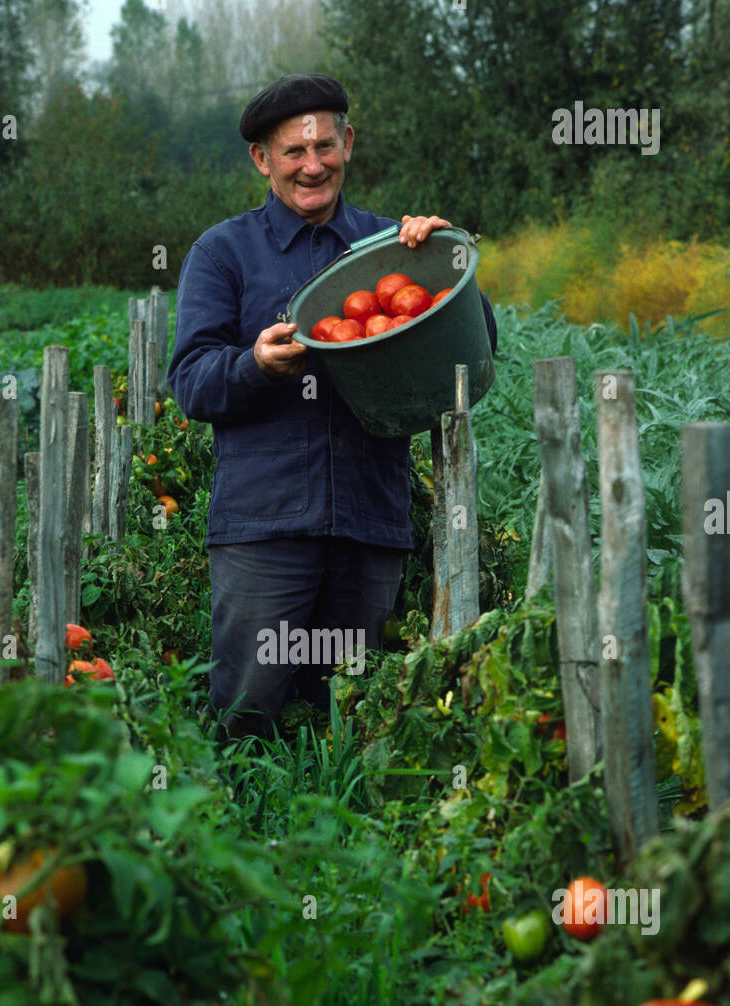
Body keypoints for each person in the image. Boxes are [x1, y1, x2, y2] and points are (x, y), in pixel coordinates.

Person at [168, 73, 497, 743]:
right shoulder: (222, 253)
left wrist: (444, 262)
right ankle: (238, 835)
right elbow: (191, 381)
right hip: (263, 526)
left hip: (367, 517)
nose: (311, 165)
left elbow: (474, 351)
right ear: (262, 159)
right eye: (292, 151)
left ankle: (336, 838)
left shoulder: (391, 246)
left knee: (351, 712)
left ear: (348, 143)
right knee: (247, 710)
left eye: (324, 145)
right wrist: (253, 365)